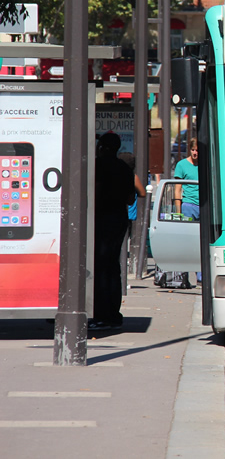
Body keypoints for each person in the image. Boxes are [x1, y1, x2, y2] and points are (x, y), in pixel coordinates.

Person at [93, 133, 144, 330]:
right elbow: (132, 198)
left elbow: (95, 192)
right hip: (119, 219)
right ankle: (112, 313)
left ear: (102, 147)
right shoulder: (124, 168)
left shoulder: (98, 165)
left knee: (99, 268)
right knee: (113, 267)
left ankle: (100, 314)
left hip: (101, 219)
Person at [173, 138, 199, 220]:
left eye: (197, 150)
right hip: (188, 204)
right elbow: (177, 190)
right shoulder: (181, 165)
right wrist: (178, 213)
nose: (195, 153)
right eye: (193, 150)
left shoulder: (207, 164)